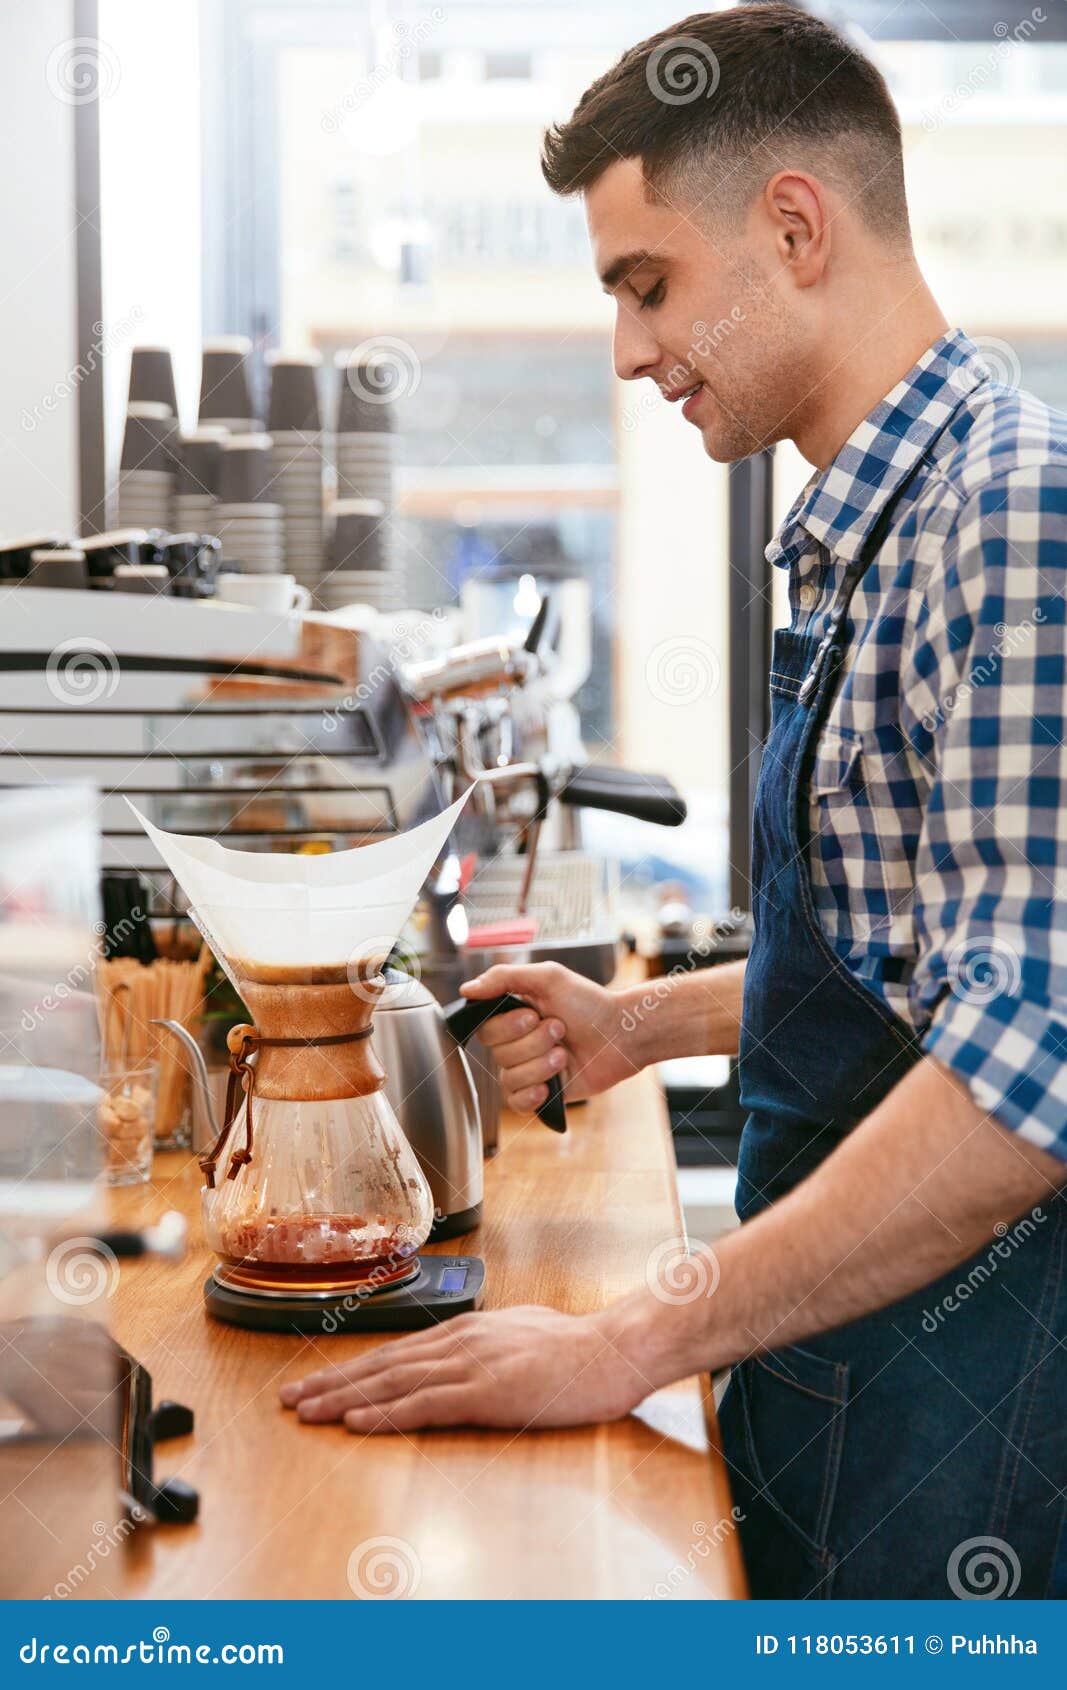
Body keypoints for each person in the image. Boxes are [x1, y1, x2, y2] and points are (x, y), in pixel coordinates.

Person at [280, 6, 1067, 1598]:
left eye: (647, 287)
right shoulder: (859, 526)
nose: (630, 350)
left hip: (954, 1423)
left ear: (793, 226)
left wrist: (629, 1337)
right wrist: (642, 1024)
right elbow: (907, 956)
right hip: (822, 1370)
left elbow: (1024, 1066)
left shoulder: (1007, 508)